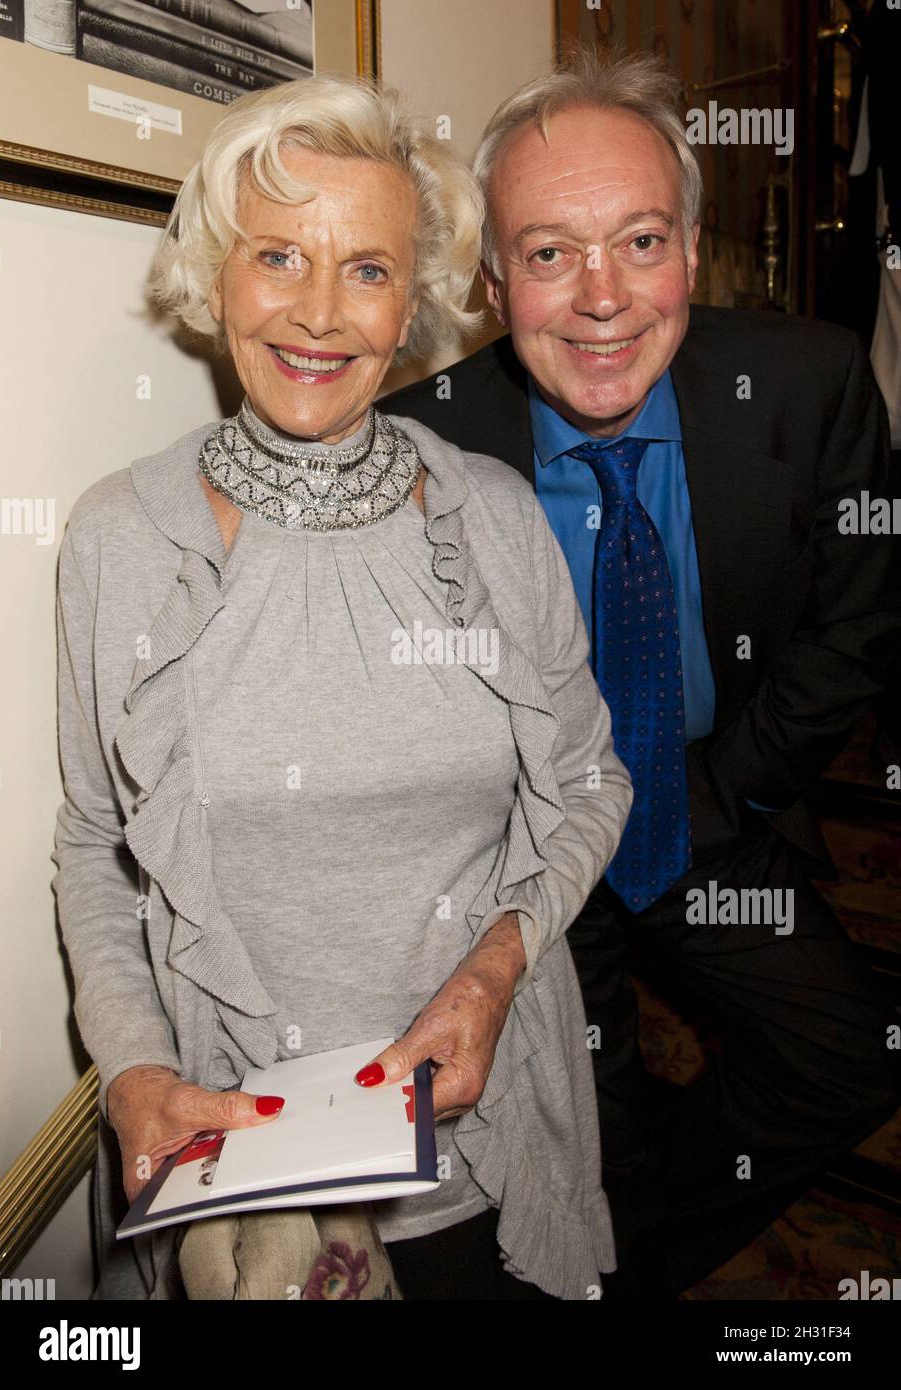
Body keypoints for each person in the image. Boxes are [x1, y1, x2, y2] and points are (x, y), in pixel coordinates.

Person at [50, 71, 633, 1301]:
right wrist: (134, 1068)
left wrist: (495, 971)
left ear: (411, 304)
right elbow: (98, 840)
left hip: (485, 1145)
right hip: (241, 1175)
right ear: (217, 276)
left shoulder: (494, 518)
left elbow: (591, 779)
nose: (320, 313)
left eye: (367, 269)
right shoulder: (121, 538)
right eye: (279, 255)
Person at [380, 48, 901, 1297]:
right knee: (571, 1145)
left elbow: (857, 625)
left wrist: (723, 799)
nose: (603, 297)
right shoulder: (427, 441)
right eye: (551, 253)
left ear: (695, 245)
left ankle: (634, 1240)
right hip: (528, 852)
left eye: (641, 241)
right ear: (496, 281)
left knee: (846, 1061)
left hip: (708, 796)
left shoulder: (810, 383)